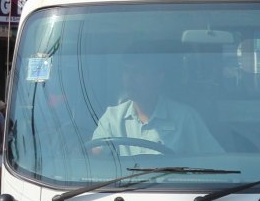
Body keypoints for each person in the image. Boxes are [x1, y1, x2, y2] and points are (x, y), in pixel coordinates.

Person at [91, 52, 222, 155]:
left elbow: (214, 160)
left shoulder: (185, 117)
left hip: (174, 188)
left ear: (158, 78)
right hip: (124, 188)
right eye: (126, 71)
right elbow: (94, 157)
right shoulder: (112, 117)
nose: (129, 78)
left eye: (138, 72)